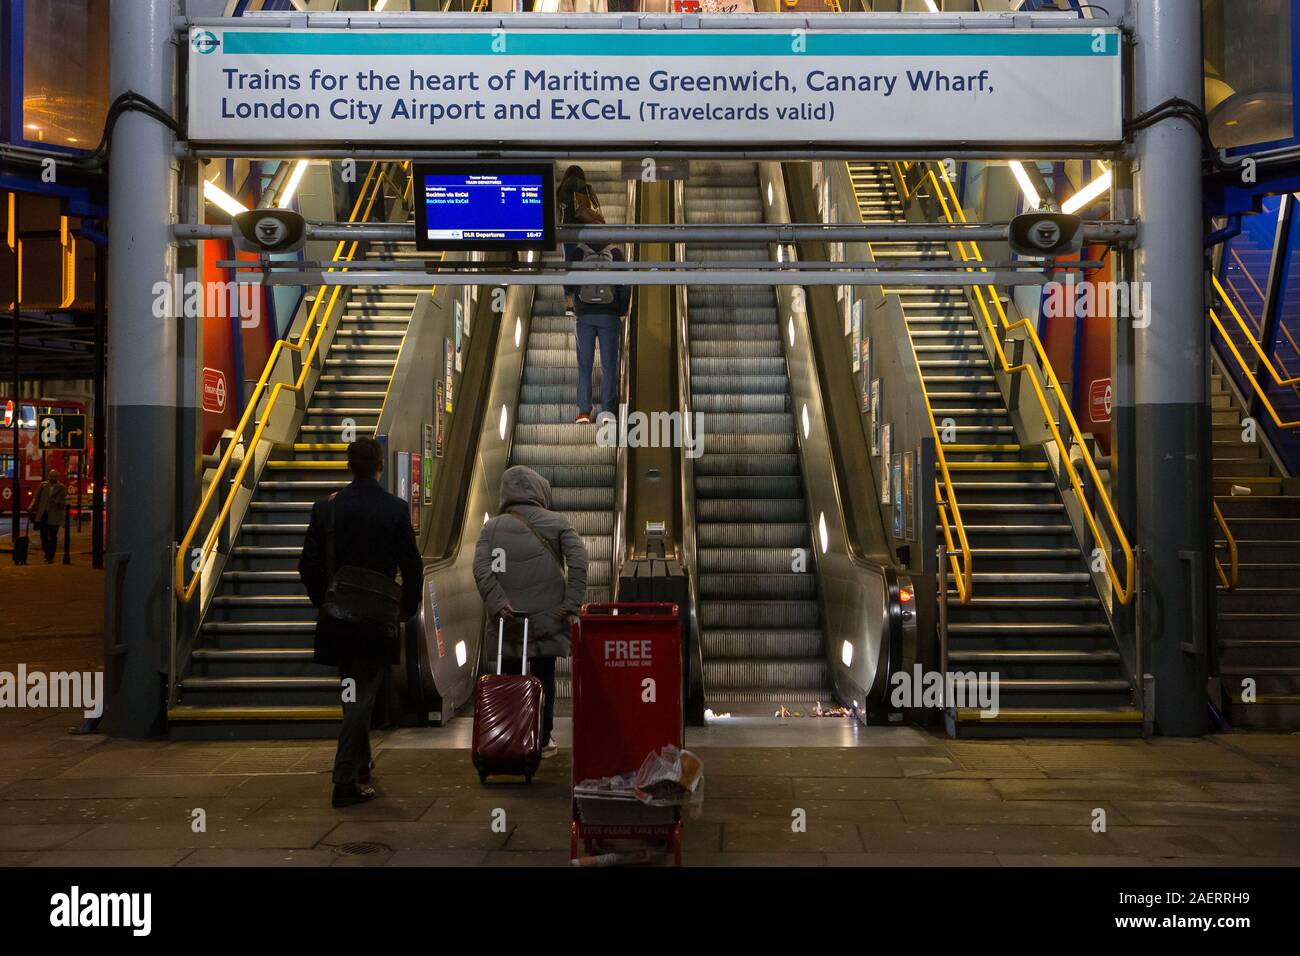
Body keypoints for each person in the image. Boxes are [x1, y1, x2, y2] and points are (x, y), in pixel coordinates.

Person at [298, 438, 423, 807]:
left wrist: (324, 600)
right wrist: (407, 607)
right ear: (379, 465)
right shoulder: (395, 510)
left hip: (339, 616)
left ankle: (362, 764)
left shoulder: (328, 510)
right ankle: (344, 779)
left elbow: (307, 565)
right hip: (377, 615)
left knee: (352, 691)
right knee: (362, 695)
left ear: (350, 466)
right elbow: (412, 566)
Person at [473, 465, 588, 758]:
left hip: (508, 621)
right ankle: (543, 738)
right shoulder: (558, 523)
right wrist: (571, 604)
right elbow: (578, 562)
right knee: (543, 679)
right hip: (549, 618)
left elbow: (481, 568)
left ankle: (509, 737)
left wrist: (498, 603)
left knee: (509, 678)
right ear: (540, 491)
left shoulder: (491, 527)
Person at [572, 242, 631, 425]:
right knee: (609, 365)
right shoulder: (615, 253)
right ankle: (607, 411)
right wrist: (621, 311)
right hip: (609, 315)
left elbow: (568, 281)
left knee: (584, 366)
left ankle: (583, 412)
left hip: (585, 317)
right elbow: (625, 285)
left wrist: (576, 306)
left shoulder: (578, 252)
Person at [556, 164, 604, 318]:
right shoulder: (586, 188)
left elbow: (557, 212)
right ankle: (587, 300)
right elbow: (595, 209)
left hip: (567, 233)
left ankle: (569, 304)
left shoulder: (560, 189)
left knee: (568, 265)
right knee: (587, 264)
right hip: (586, 232)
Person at [31, 470, 67, 564]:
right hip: (43, 514)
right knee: (43, 535)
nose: (52, 478)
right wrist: (31, 506)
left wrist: (56, 501)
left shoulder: (62, 487)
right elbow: (36, 497)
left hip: (54, 515)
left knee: (53, 536)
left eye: (54, 476)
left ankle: (51, 556)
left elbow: (63, 502)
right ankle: (47, 553)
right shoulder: (42, 486)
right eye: (51, 476)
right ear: (48, 476)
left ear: (57, 477)